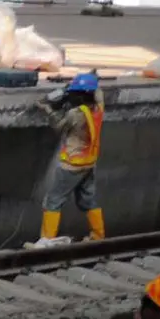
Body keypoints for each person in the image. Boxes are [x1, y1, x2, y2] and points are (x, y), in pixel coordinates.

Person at [35, 71, 105, 245]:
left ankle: (46, 241)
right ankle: (98, 235)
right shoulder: (99, 108)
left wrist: (47, 109)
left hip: (71, 165)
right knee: (87, 200)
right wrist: (90, 78)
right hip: (89, 163)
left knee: (53, 201)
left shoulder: (76, 114)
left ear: (79, 95)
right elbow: (98, 92)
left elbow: (59, 127)